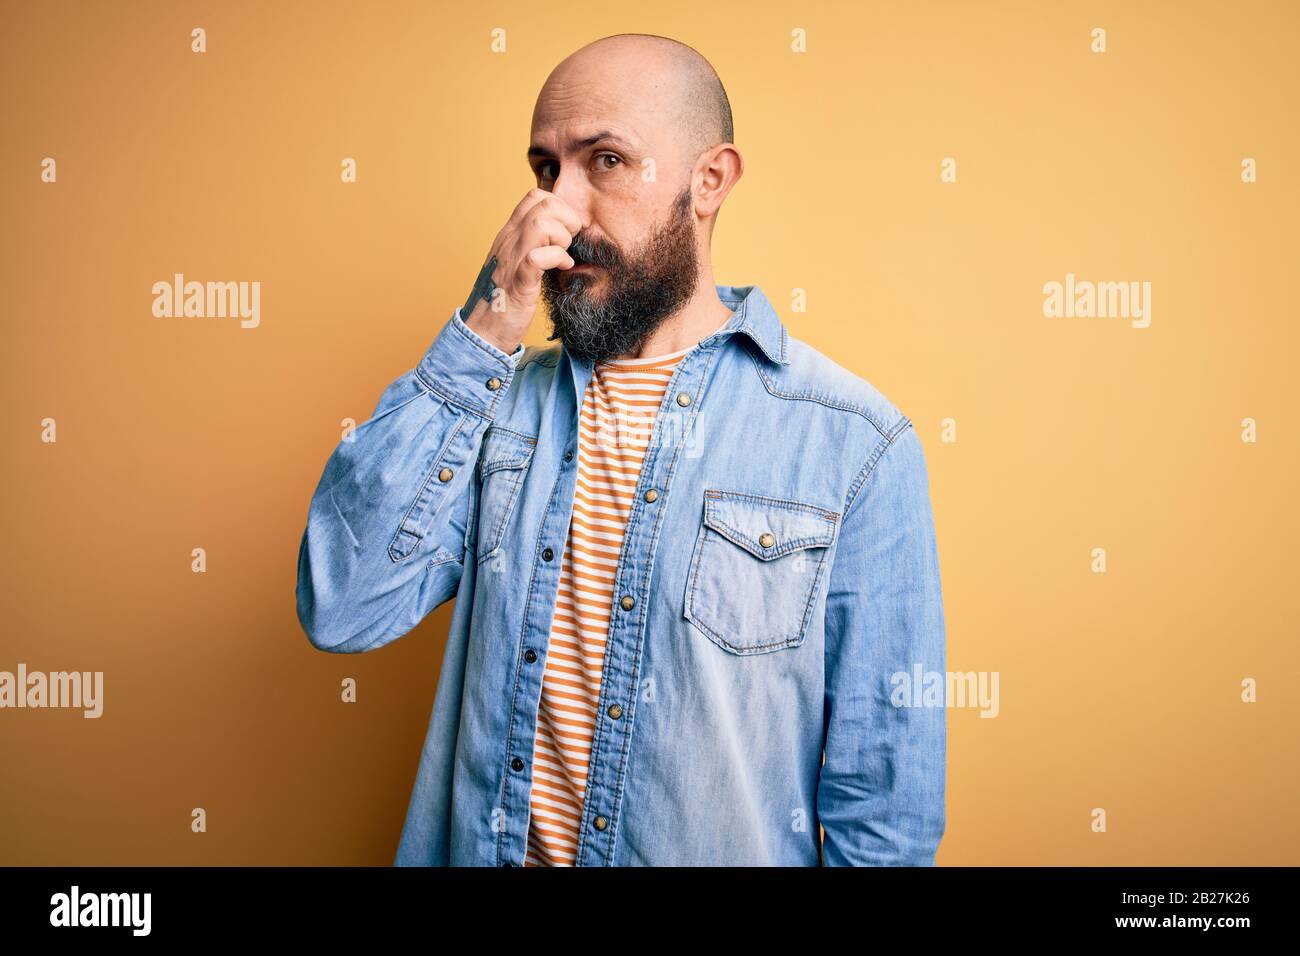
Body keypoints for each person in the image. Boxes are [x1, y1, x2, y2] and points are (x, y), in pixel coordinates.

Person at [295, 32, 947, 866]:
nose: (558, 211)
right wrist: (488, 323)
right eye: (544, 170)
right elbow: (344, 605)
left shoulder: (854, 442)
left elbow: (884, 811)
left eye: (605, 160)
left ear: (709, 180)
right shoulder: (492, 406)